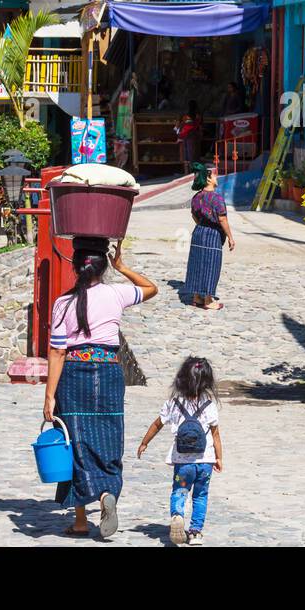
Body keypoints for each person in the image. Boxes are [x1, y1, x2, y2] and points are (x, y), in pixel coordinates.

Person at [43, 241, 158, 539]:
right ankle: (107, 490)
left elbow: (57, 353)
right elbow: (150, 288)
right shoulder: (116, 293)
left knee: (76, 443)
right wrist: (122, 268)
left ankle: (81, 521)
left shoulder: (62, 303)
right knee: (108, 435)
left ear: (74, 267)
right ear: (103, 267)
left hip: (73, 375)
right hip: (108, 371)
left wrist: (49, 396)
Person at [136, 356, 223, 546]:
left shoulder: (174, 403)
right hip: (205, 462)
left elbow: (157, 424)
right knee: (200, 495)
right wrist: (219, 458)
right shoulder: (210, 405)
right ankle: (196, 533)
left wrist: (144, 443)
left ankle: (177, 515)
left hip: (183, 463)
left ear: (181, 378)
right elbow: (216, 435)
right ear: (207, 381)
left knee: (180, 490)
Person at [184, 163, 234, 310]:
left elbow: (193, 215)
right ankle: (208, 300)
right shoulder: (216, 198)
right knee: (211, 265)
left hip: (198, 232)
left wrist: (201, 224)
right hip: (212, 234)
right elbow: (222, 219)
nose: (216, 177)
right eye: (214, 175)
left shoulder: (196, 197)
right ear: (208, 179)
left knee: (197, 264)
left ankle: (197, 297)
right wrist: (230, 237)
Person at [175, 99, 202, 171]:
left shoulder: (185, 115)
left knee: (186, 153)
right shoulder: (197, 115)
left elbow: (181, 124)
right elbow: (199, 124)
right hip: (193, 136)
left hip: (185, 135)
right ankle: (193, 170)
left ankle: (187, 171)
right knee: (193, 153)